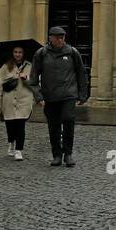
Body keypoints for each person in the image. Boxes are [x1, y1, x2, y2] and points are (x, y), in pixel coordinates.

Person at [30, 26, 89, 168]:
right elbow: (33, 78)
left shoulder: (72, 52)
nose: (60, 40)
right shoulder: (41, 54)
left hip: (69, 94)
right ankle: (57, 154)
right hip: (50, 95)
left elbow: (81, 73)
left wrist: (83, 94)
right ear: (50, 38)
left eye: (62, 37)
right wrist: (38, 96)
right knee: (54, 126)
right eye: (57, 37)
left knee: (68, 120)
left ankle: (68, 153)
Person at [0, 43, 35, 161]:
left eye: (20, 52)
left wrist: (27, 78)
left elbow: (36, 83)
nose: (18, 54)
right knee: (10, 125)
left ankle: (18, 150)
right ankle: (11, 142)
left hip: (24, 99)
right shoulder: (6, 67)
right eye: (15, 52)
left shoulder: (30, 66)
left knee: (20, 126)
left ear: (23, 53)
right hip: (8, 100)